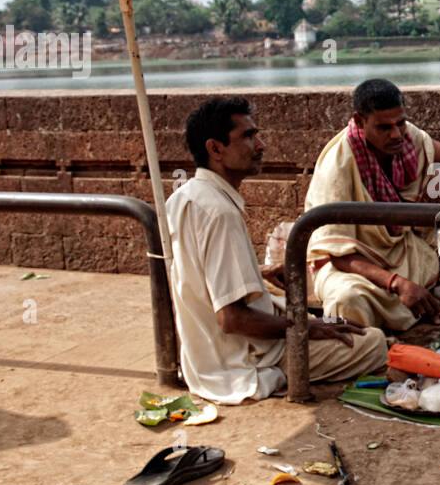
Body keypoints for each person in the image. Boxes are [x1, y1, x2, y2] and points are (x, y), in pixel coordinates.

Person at [166, 96, 387, 404]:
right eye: (247, 136)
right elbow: (232, 319)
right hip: (246, 357)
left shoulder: (184, 196)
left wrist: (261, 273)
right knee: (374, 343)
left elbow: (199, 276)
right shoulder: (220, 213)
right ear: (215, 149)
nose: (261, 144)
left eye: (256, 134)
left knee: (327, 317)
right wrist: (309, 327)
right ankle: (288, 365)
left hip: (204, 353)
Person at [304, 79, 440, 330]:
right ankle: (369, 349)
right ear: (359, 121)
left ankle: (417, 300)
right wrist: (397, 284)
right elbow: (338, 255)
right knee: (349, 300)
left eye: (400, 123)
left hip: (402, 248)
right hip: (350, 265)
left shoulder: (409, 136)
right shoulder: (337, 167)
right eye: (384, 127)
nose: (397, 134)